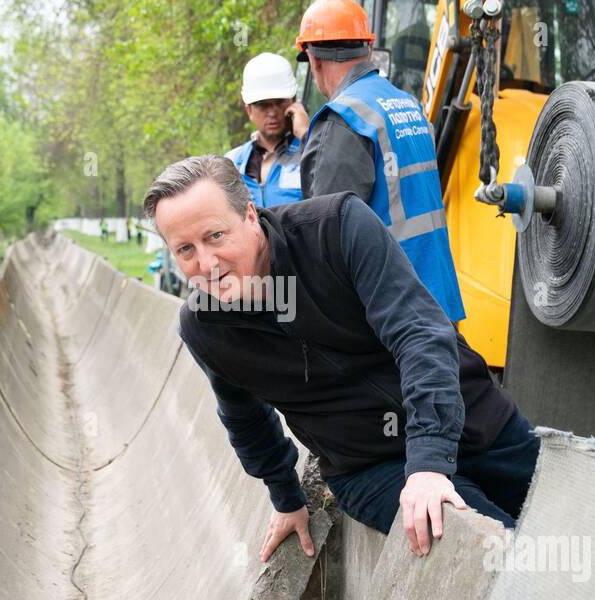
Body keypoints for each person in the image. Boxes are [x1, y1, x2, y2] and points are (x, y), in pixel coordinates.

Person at [143, 154, 538, 563]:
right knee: (502, 561)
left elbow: (418, 335)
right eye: (185, 249)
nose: (206, 264)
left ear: (249, 214)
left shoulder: (336, 227)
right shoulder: (203, 326)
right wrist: (285, 497)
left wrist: (430, 460)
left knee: (575, 541)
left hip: (476, 421)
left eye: (215, 236)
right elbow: (243, 417)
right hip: (370, 467)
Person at [296, 0, 465, 323]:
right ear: (367, 49)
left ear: (313, 60)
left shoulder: (344, 120)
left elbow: (325, 240)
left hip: (392, 314)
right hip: (436, 298)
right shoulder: (407, 105)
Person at [225, 52, 309, 209]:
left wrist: (306, 134)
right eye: (262, 104)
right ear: (249, 110)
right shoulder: (232, 163)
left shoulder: (311, 151)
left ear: (294, 102)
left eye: (279, 102)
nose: (272, 112)